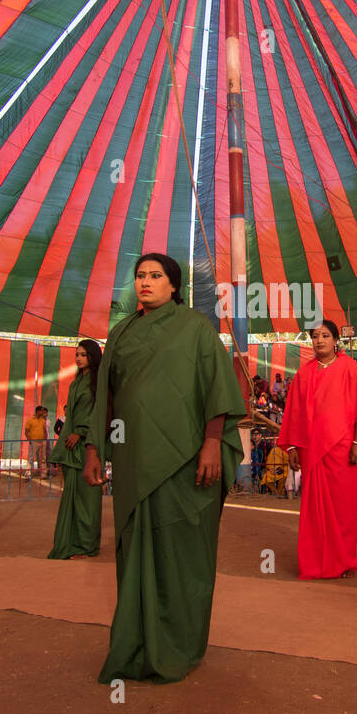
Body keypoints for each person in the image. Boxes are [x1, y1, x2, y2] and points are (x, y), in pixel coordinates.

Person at [83, 253, 244, 684]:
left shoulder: (195, 328)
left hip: (188, 460)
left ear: (174, 286)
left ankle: (181, 644)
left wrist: (213, 443)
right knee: (135, 547)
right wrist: (96, 449)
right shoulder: (120, 334)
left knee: (184, 551)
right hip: (135, 460)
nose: (145, 282)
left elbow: (217, 387)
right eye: (140, 276)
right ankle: (136, 643)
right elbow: (108, 399)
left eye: (156, 276)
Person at [279, 320, 357, 580]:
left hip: (344, 450)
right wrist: (292, 447)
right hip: (312, 451)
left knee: (343, 510)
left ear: (336, 340)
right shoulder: (304, 374)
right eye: (315, 336)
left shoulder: (350, 368)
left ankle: (345, 562)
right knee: (314, 511)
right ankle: (314, 564)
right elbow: (294, 414)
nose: (319, 340)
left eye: (325, 335)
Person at [48, 340, 104, 559]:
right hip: (71, 446)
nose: (78, 358)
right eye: (77, 354)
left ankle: (88, 545)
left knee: (87, 498)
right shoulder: (75, 382)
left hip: (87, 445)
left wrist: (80, 431)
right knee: (72, 497)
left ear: (92, 356)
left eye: (83, 355)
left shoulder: (96, 382)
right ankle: (71, 542)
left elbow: (98, 411)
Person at [24, 406, 50, 480]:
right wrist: (30, 440)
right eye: (41, 411)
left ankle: (43, 474)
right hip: (34, 441)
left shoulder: (43, 420)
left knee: (43, 458)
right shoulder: (30, 420)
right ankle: (28, 474)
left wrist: (45, 440)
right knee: (31, 458)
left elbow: (45, 430)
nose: (43, 413)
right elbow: (26, 432)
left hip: (42, 441)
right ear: (37, 411)